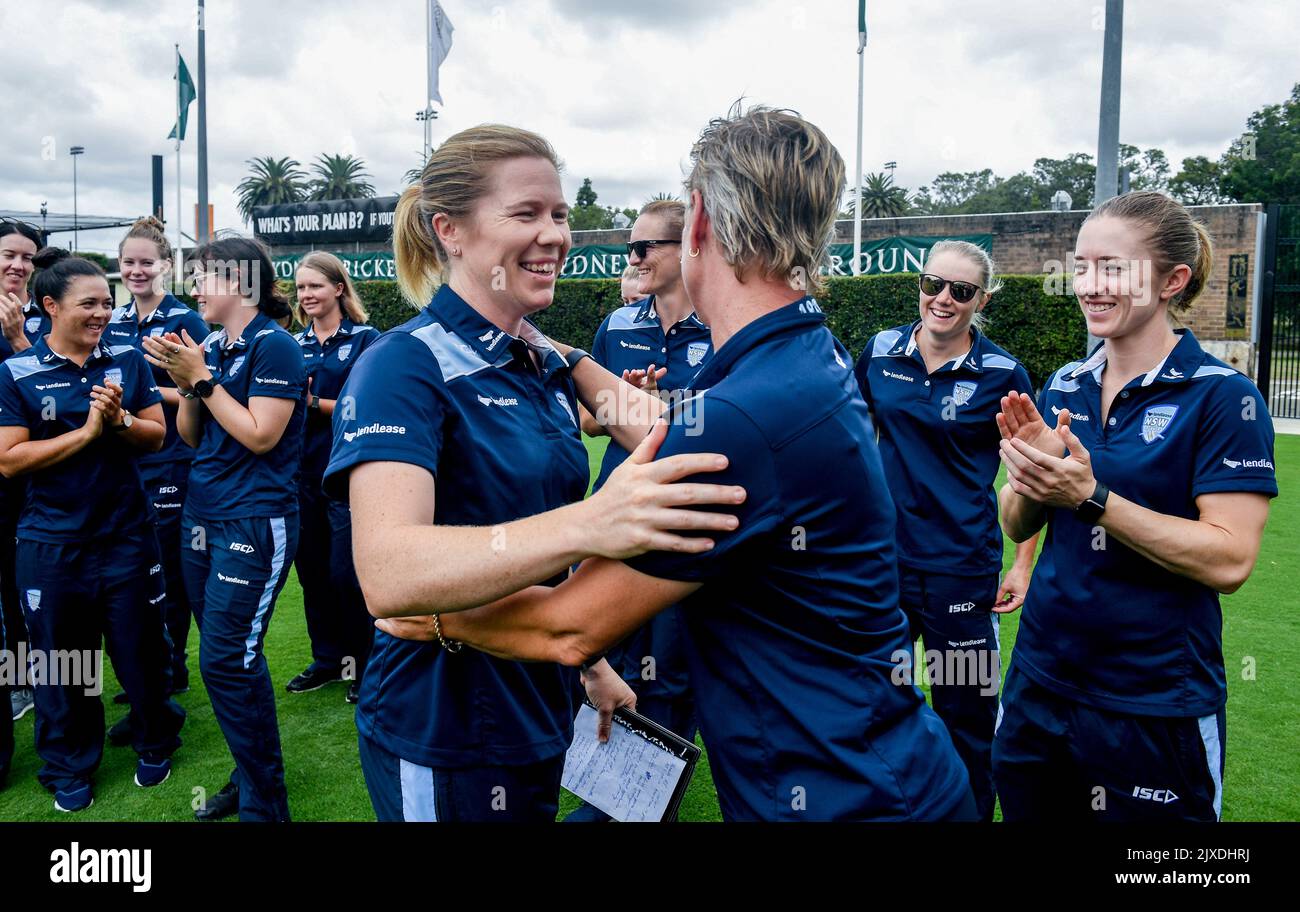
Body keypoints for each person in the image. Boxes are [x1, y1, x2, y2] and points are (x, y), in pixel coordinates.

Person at [389, 105, 978, 822]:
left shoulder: (746, 414)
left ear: (699, 225)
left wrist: (442, 620)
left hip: (847, 796)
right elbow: (678, 429)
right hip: (883, 772)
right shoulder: (798, 357)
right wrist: (570, 357)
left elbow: (567, 626)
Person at [322, 124, 742, 822]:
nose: (555, 235)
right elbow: (388, 573)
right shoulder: (404, 365)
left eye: (559, 214)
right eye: (526, 214)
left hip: (539, 703)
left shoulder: (541, 365)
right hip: (445, 726)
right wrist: (592, 523)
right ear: (450, 230)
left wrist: (591, 668)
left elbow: (679, 438)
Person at [992, 191, 1276, 821]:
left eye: (1114, 267)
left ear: (1173, 280)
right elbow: (1015, 520)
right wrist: (1031, 477)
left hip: (1153, 701)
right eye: (1083, 265)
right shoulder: (1065, 382)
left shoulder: (1224, 398)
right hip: (1041, 679)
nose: (1090, 285)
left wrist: (1091, 497)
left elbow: (1229, 559)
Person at [854, 240, 1038, 822]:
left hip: (962, 570)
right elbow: (853, 442)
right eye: (933, 284)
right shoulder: (879, 351)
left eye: (960, 291)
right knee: (874, 701)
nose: (943, 299)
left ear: (981, 299)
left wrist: (1022, 563)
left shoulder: (1004, 374)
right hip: (883, 565)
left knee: (968, 712)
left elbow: (1034, 477)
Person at [0, 248, 183, 812]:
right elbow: (9, 459)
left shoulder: (126, 359)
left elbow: (156, 434)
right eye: (90, 303)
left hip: (127, 535)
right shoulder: (16, 372)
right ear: (49, 305)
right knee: (61, 659)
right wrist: (85, 433)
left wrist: (122, 420)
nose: (103, 312)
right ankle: (69, 763)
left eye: (107, 302)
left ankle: (155, 742)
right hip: (51, 544)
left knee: (141, 649)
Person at [142, 235, 305, 822]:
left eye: (203, 278)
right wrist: (188, 384)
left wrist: (203, 379)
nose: (193, 289)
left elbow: (261, 434)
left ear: (239, 283)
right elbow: (190, 435)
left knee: (226, 659)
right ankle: (250, 774)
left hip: (254, 521)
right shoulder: (209, 343)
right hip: (201, 515)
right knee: (229, 657)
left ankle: (266, 805)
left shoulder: (276, 345)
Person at [566, 199, 712, 822]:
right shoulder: (618, 324)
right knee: (603, 656)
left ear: (685, 250)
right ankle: (609, 793)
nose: (632, 259)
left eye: (643, 248)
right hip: (614, 513)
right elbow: (587, 423)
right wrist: (626, 407)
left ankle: (643, 809)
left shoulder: (722, 328)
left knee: (670, 677)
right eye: (630, 248)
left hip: (680, 524)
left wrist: (656, 416)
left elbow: (721, 438)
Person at [102, 218, 209, 746]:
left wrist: (144, 397)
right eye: (129, 263)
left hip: (171, 461)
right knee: (134, 573)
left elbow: (205, 389)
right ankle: (156, 673)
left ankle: (168, 674)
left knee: (165, 571)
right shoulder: (113, 317)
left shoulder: (186, 319)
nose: (137, 270)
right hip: (125, 461)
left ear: (165, 265)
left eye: (147, 262)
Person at [284, 252, 379, 703]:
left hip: (345, 476)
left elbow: (371, 404)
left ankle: (364, 665)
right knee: (313, 575)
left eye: (315, 287)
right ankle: (327, 661)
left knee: (347, 575)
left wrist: (316, 404)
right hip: (300, 474)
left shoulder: (366, 340)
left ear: (338, 288)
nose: (306, 296)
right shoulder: (291, 344)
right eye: (301, 288)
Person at [0, 220, 49, 729]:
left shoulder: (41, 320)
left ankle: (24, 682)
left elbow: (50, 397)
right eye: (10, 255)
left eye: (27, 258)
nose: (18, 266)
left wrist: (17, 337)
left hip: (22, 481)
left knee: (18, 590)